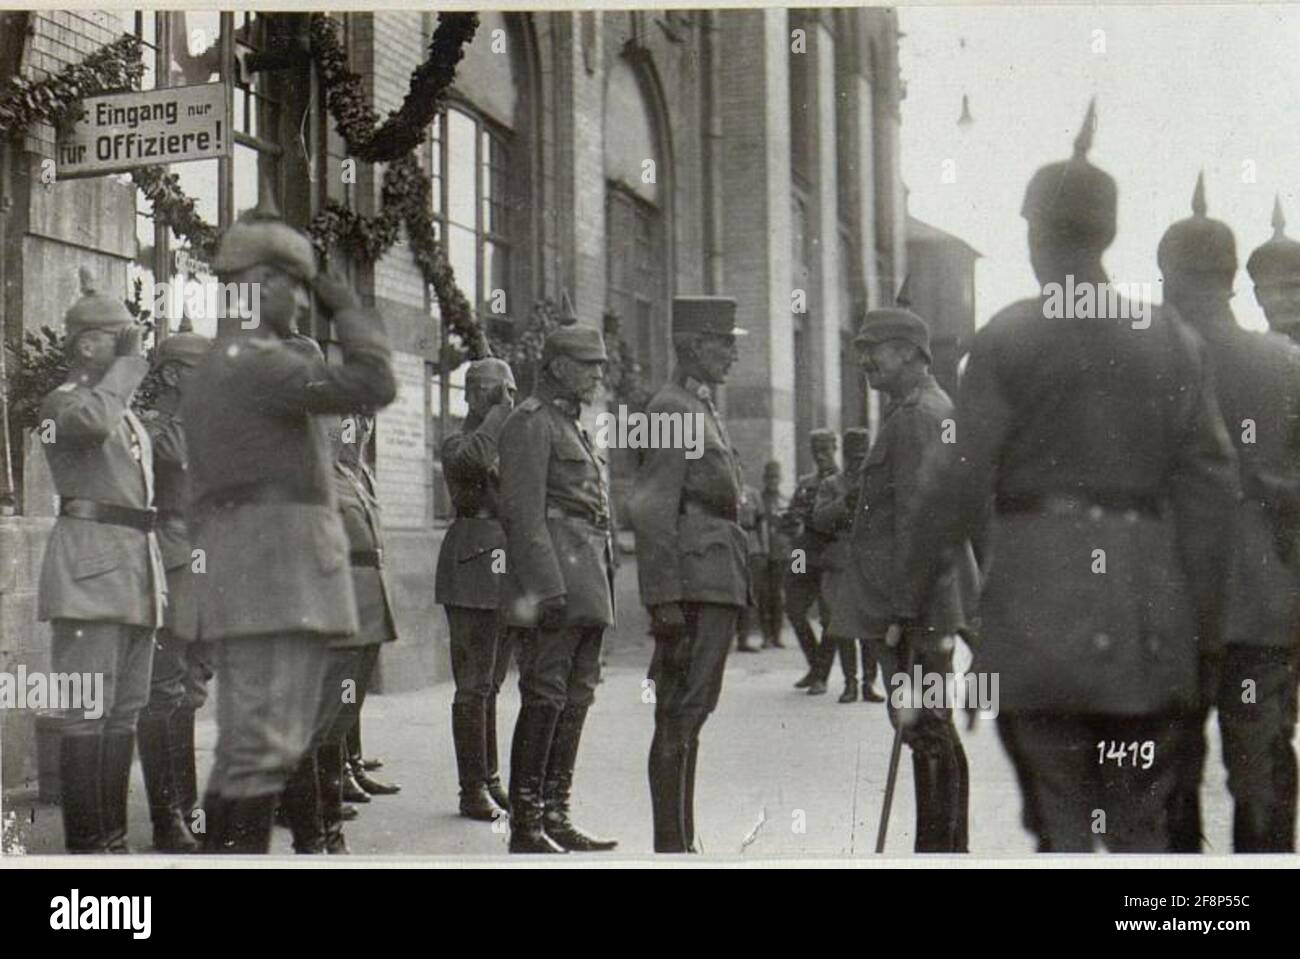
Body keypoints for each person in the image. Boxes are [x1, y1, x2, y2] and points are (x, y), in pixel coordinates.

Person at [900, 103, 1238, 852]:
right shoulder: (1171, 341)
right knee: (1141, 826)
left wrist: (908, 602)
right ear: (1109, 234)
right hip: (1147, 620)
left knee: (1061, 824)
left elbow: (951, 483)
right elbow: (1212, 499)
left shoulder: (1010, 337)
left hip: (1035, 614)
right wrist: (1205, 638)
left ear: (1035, 236)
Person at [181, 196, 396, 853]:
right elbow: (373, 380)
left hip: (261, 571)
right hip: (276, 577)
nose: (303, 307)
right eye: (297, 291)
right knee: (261, 751)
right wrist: (342, 298)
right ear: (263, 284)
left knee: (259, 750)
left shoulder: (235, 359)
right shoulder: (259, 361)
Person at [1158, 176, 1300, 852]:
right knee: (1261, 769)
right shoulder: (1285, 364)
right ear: (1229, 280)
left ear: (1167, 278)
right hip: (1261, 609)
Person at [38, 269, 165, 853]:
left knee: (124, 712)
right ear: (87, 344)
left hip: (135, 573)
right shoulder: (61, 405)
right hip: (89, 574)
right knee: (86, 710)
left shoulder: (125, 412)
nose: (131, 348)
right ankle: (87, 846)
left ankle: (113, 840)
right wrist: (132, 365)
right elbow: (92, 423)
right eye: (121, 337)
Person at [628, 295, 751, 853]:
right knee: (680, 714)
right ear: (695, 345)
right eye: (724, 343)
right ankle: (672, 847)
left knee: (690, 713)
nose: (732, 353)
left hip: (714, 576)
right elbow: (654, 509)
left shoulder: (697, 407)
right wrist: (663, 599)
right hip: (694, 584)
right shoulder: (672, 409)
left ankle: (680, 840)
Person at [499, 319, 617, 853]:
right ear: (558, 367)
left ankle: (556, 812)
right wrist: (546, 588)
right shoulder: (531, 423)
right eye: (589, 366)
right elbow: (524, 516)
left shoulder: (573, 426)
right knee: (545, 696)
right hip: (557, 587)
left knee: (577, 698)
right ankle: (526, 824)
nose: (597, 376)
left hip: (588, 584)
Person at [136, 331, 212, 853]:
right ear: (170, 375)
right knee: (162, 691)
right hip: (170, 566)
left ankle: (187, 807)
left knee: (192, 688)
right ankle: (167, 817)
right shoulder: (153, 431)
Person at [436, 357, 517, 821]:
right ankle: (470, 790)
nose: (505, 398)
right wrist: (497, 418)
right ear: (478, 394)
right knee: (472, 686)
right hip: (470, 566)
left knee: (491, 684)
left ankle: (489, 779)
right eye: (497, 390)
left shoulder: (501, 437)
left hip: (505, 570)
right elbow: (473, 461)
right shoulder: (459, 441)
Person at [811, 427, 883, 703]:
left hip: (869, 561)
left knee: (870, 627)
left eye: (862, 456)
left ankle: (869, 682)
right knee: (843, 627)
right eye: (853, 457)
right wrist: (844, 502)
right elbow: (818, 519)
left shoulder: (876, 483)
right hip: (839, 562)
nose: (858, 462)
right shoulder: (831, 485)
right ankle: (850, 683)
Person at [782, 430, 839, 687]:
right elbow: (793, 514)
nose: (821, 455)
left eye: (825, 449)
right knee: (793, 609)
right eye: (816, 450)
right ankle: (816, 665)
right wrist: (790, 519)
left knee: (829, 617)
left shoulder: (842, 482)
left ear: (835, 448)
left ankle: (821, 674)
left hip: (828, 553)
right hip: (800, 552)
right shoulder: (805, 482)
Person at [1246, 197, 1300, 346]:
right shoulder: (1253, 358)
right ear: (1258, 296)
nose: (1285, 300)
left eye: (1294, 288)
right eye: (1272, 290)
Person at [757, 461, 788, 648]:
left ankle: (777, 635)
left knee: (778, 595)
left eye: (775, 477)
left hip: (781, 553)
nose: (772, 481)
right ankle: (766, 635)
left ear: (780, 479)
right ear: (764, 479)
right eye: (769, 477)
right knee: (764, 595)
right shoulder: (759, 499)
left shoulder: (785, 500)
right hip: (762, 552)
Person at [734, 481, 766, 653]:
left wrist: (764, 548)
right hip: (732, 543)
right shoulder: (727, 490)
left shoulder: (753, 493)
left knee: (750, 592)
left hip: (752, 546)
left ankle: (744, 637)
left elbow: (761, 522)